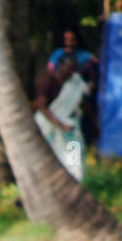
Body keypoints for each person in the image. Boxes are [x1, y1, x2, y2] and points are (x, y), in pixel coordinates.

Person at [33, 53, 89, 181]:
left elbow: (84, 104)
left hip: (70, 127)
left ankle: (76, 181)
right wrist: (59, 124)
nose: (71, 72)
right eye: (69, 68)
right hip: (49, 126)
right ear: (60, 66)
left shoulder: (76, 82)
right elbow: (41, 105)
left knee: (74, 160)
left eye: (74, 69)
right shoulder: (49, 81)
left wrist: (93, 124)